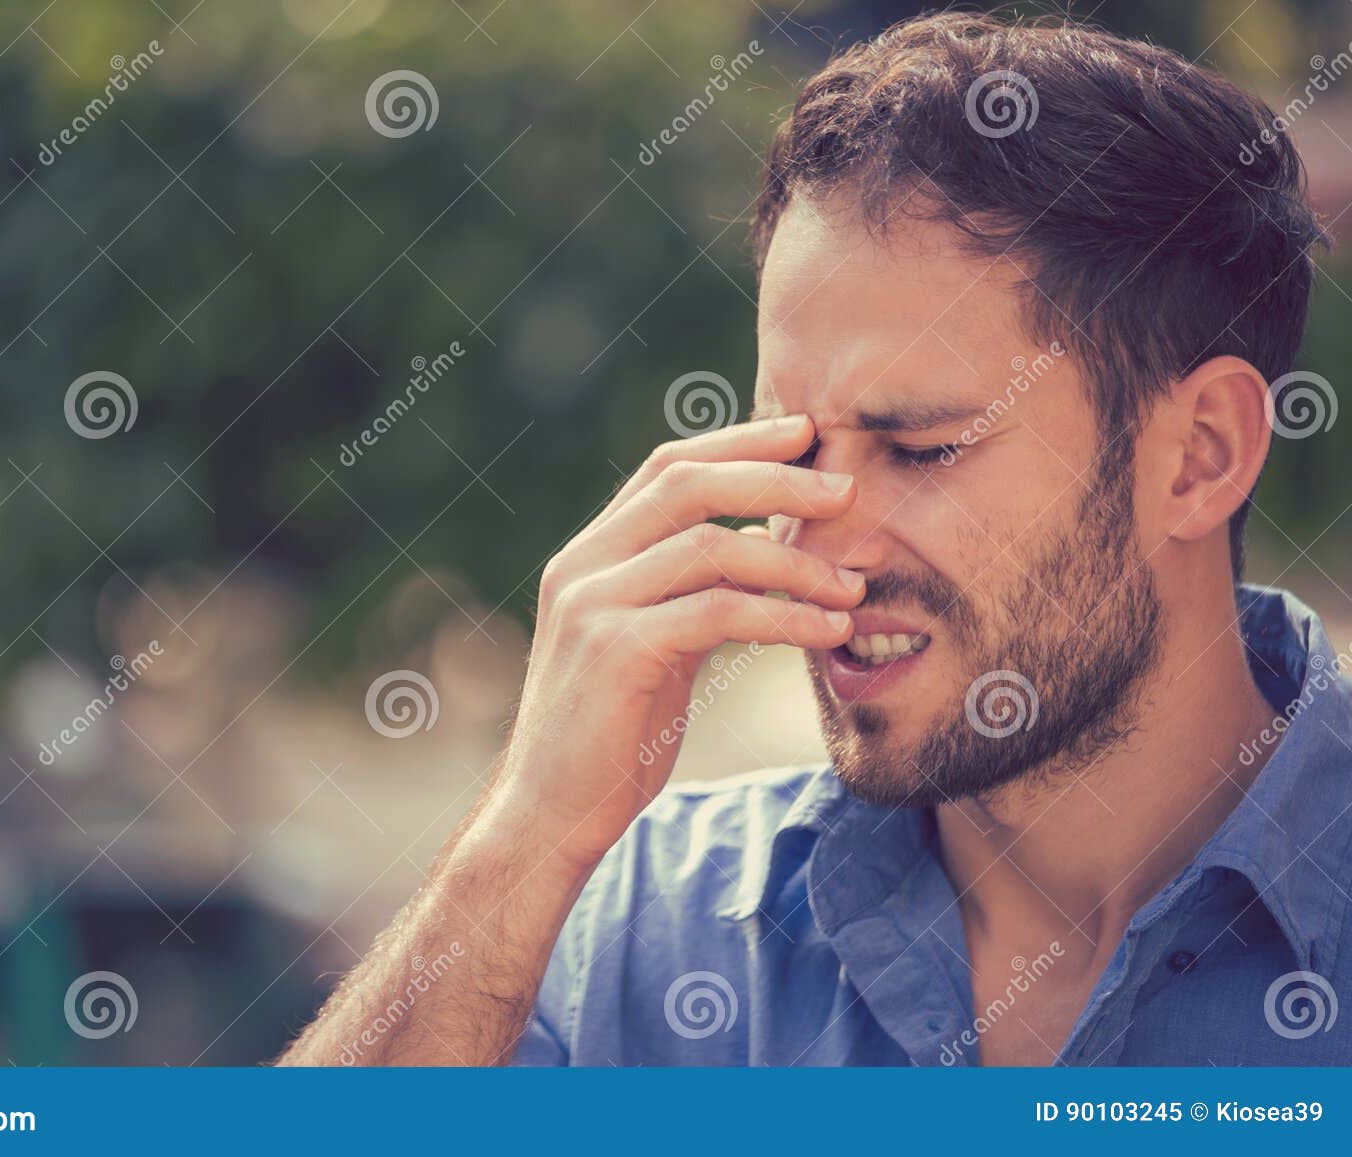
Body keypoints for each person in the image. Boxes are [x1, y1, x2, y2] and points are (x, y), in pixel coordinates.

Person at [281, 12, 1351, 1066]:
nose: (815, 547)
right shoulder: (640, 924)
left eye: (922, 446)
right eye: (790, 450)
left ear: (1200, 454)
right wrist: (521, 833)